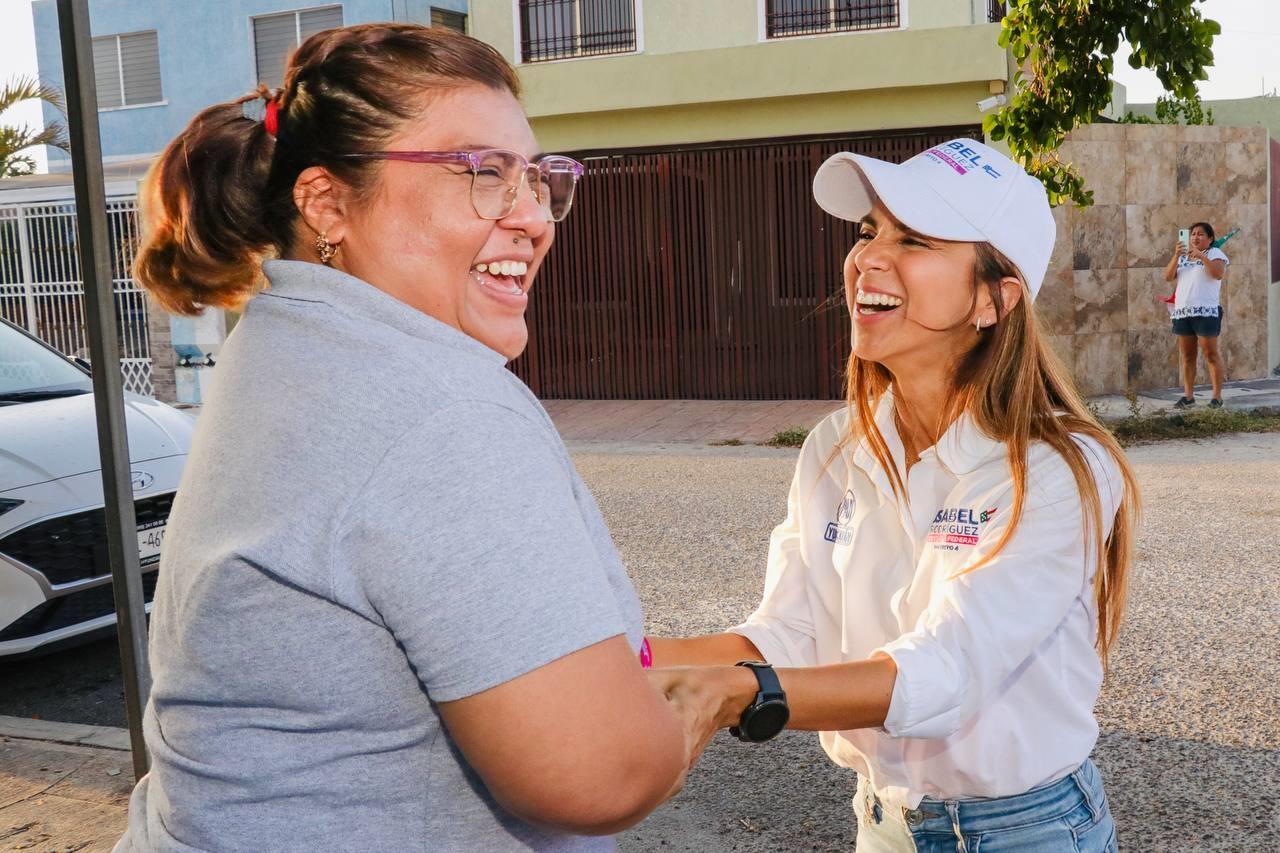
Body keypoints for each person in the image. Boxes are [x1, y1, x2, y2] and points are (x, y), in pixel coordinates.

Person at [116, 24, 710, 851]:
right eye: (483, 173)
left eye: (537, 178)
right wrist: (700, 702)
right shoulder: (439, 404)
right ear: (327, 204)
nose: (533, 215)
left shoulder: (283, 347)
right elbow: (598, 772)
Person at [645, 139, 1139, 852]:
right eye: (870, 232)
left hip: (1026, 832)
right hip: (882, 823)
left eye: (914, 239)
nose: (868, 258)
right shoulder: (835, 447)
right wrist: (629, 658)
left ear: (992, 299)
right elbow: (790, 632)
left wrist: (737, 693)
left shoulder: (1062, 468)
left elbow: (947, 668)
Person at [1164, 222, 1229, 409]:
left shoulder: (1215, 254)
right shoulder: (1182, 256)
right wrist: (1176, 256)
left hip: (1206, 312)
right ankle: (1188, 396)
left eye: (1201, 234)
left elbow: (1217, 274)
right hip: (1184, 312)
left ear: (1210, 239)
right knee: (1187, 355)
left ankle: (1216, 397)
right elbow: (1168, 276)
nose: (1195, 237)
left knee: (1210, 353)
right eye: (1193, 234)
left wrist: (1201, 256)